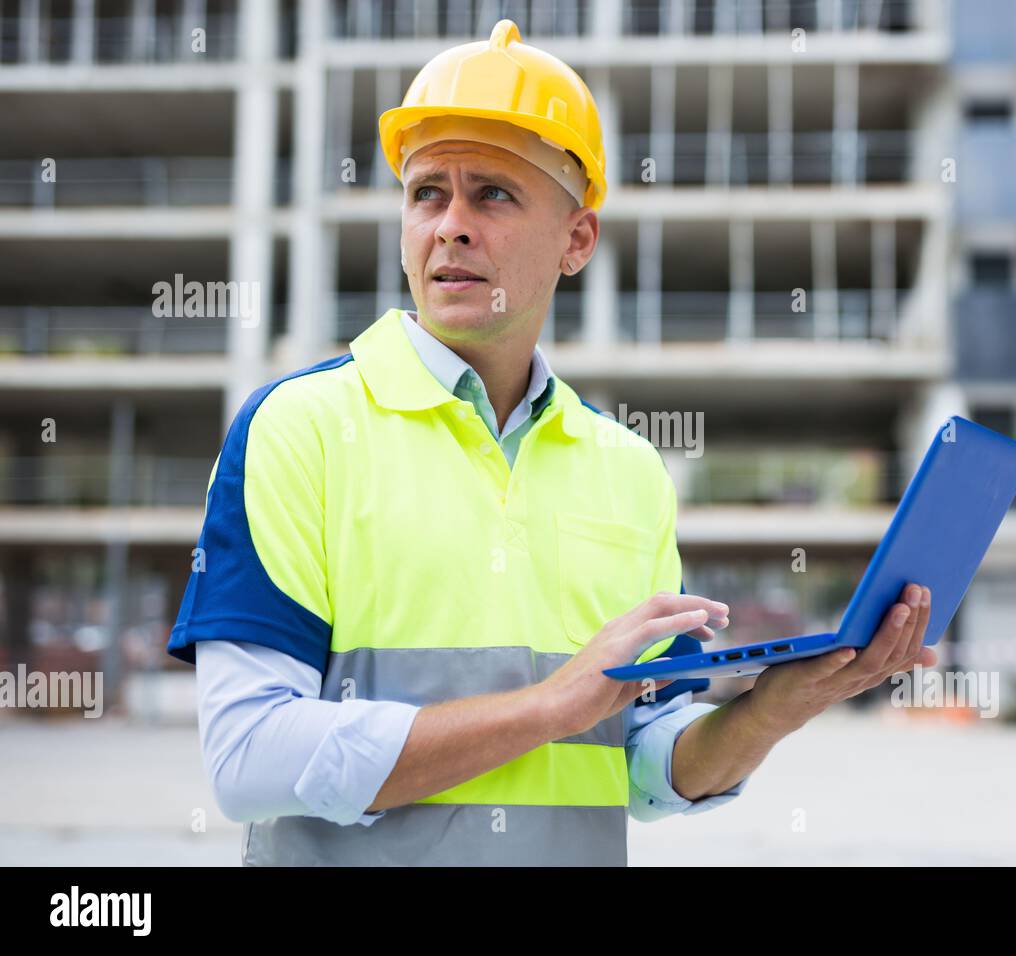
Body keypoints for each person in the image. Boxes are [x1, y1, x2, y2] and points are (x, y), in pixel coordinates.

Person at [167, 19, 936, 866]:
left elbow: (641, 763)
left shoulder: (628, 471)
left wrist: (769, 714)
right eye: (428, 193)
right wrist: (548, 707)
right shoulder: (297, 429)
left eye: (492, 194)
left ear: (577, 240)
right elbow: (247, 757)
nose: (450, 226)